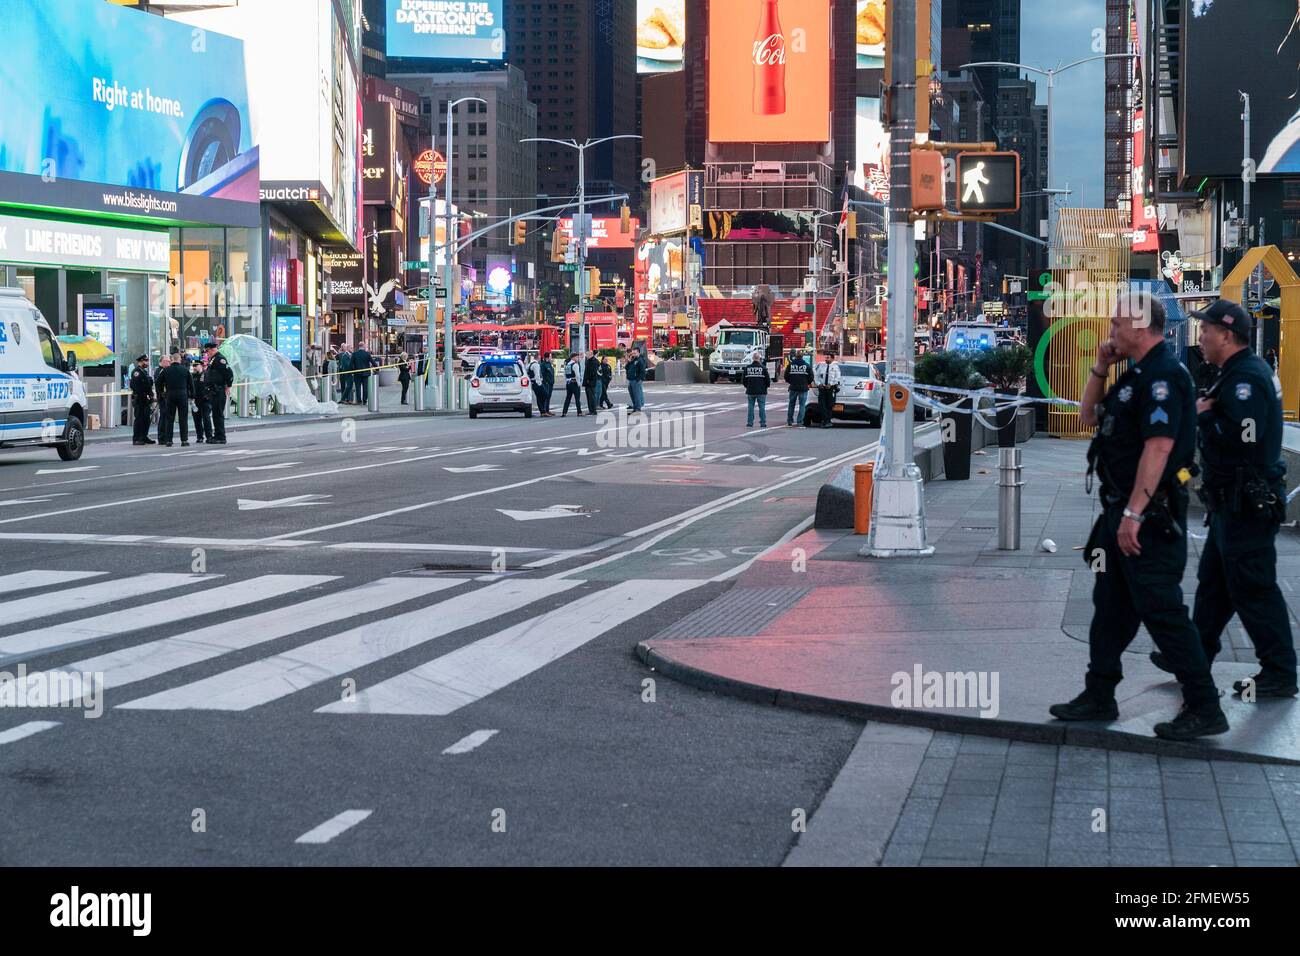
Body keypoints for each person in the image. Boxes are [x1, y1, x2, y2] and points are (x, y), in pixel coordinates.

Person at [1049, 292, 1227, 741]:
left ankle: (1204, 706)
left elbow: (1160, 446)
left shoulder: (1165, 377)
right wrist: (1099, 367)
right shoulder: (1135, 376)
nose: (1110, 329)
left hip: (1146, 517)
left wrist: (1134, 513)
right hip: (1119, 513)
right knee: (1109, 608)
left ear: (1141, 325)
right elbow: (1088, 417)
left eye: (1116, 323)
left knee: (1163, 612)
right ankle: (1099, 694)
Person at [1160, 300, 1295, 698]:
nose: (1200, 338)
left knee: (1254, 589)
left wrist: (1202, 415)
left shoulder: (1245, 380)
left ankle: (1280, 671)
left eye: (1206, 331)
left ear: (1227, 335)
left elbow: (1245, 438)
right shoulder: (1234, 374)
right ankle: (1193, 656)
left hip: (1246, 503)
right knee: (1213, 586)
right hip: (1231, 503)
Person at [156, 352, 193, 447]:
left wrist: (161, 393)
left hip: (170, 395)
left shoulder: (166, 370)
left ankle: (169, 440)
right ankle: (184, 440)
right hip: (182, 396)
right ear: (179, 360)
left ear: (172, 360)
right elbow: (191, 384)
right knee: (183, 419)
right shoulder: (185, 370)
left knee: (169, 418)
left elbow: (158, 382)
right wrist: (192, 396)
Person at [202, 341, 233, 444]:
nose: (207, 353)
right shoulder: (214, 359)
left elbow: (229, 373)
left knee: (218, 415)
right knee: (216, 414)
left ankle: (221, 437)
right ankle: (217, 435)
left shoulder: (220, 359)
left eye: (208, 351)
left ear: (212, 349)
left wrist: (228, 385)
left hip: (218, 390)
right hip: (213, 391)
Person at [129, 354, 155, 446]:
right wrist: (144, 394)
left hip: (145, 399)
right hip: (139, 398)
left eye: (147, 361)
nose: (147, 363)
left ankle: (144, 436)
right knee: (139, 419)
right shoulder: (136, 372)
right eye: (145, 361)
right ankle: (136, 438)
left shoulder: (144, 372)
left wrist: (150, 395)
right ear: (140, 361)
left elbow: (148, 385)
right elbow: (135, 386)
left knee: (146, 419)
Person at [812, 351, 841, 429]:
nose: (826, 359)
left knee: (829, 405)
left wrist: (830, 384)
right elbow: (816, 376)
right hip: (822, 388)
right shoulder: (822, 366)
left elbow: (837, 378)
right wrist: (819, 384)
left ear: (832, 358)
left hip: (830, 388)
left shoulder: (835, 367)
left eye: (828, 358)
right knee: (821, 405)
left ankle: (827, 421)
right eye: (825, 357)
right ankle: (826, 420)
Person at [784, 349, 813, 427]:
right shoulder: (806, 366)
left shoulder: (790, 365)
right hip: (803, 388)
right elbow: (811, 376)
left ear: (795, 356)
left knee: (791, 404)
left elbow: (786, 376)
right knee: (802, 405)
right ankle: (799, 422)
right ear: (802, 357)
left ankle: (789, 421)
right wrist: (807, 383)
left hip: (793, 387)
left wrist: (791, 382)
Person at [743, 351, 770, 428]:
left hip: (750, 390)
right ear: (759, 359)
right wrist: (766, 387)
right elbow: (767, 381)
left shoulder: (748, 368)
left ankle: (750, 422)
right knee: (762, 407)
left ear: (752, 358)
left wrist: (747, 387)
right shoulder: (763, 368)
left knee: (750, 407)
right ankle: (763, 422)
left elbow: (744, 380)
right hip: (761, 391)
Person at [191, 354, 213, 443]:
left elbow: (211, 386)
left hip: (205, 401)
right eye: (193, 366)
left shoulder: (207, 375)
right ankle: (199, 437)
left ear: (201, 366)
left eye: (196, 366)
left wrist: (208, 396)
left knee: (206, 419)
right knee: (197, 420)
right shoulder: (192, 376)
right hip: (195, 401)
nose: (194, 368)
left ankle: (209, 436)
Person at [562, 352, 584, 417]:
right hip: (574, 382)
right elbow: (577, 375)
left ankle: (564, 412)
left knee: (568, 398)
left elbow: (565, 375)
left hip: (568, 383)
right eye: (577, 357)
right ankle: (579, 412)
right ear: (573, 357)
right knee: (577, 398)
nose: (578, 358)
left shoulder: (568, 364)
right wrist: (579, 383)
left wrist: (567, 381)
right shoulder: (575, 365)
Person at [625, 347, 647, 412]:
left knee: (636, 394)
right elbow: (626, 368)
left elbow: (643, 371)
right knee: (632, 394)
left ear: (638, 352)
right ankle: (635, 407)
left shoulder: (640, 360)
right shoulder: (633, 359)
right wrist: (629, 361)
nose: (633, 354)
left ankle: (638, 408)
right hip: (631, 379)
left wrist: (640, 379)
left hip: (636, 380)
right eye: (633, 353)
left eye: (635, 353)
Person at [352, 341, 372, 406]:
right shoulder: (367, 354)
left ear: (359, 346)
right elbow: (372, 362)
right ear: (363, 346)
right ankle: (365, 400)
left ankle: (359, 401)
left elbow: (351, 364)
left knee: (358, 388)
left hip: (357, 373)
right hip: (366, 374)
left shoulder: (354, 354)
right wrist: (377, 369)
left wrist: (352, 371)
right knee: (365, 387)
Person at [583, 350, 600, 414]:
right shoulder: (590, 361)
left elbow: (592, 372)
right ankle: (591, 410)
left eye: (587, 355)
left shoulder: (593, 361)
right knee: (589, 396)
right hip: (589, 381)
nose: (586, 356)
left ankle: (593, 410)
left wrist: (588, 379)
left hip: (590, 382)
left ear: (590, 354)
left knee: (591, 396)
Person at [540, 351, 556, 416]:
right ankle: (544, 411)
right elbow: (542, 373)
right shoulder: (543, 365)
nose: (551, 358)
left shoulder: (549, 364)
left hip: (551, 383)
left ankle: (547, 410)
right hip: (546, 383)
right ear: (547, 357)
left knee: (549, 397)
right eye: (550, 356)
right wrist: (545, 381)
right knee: (546, 397)